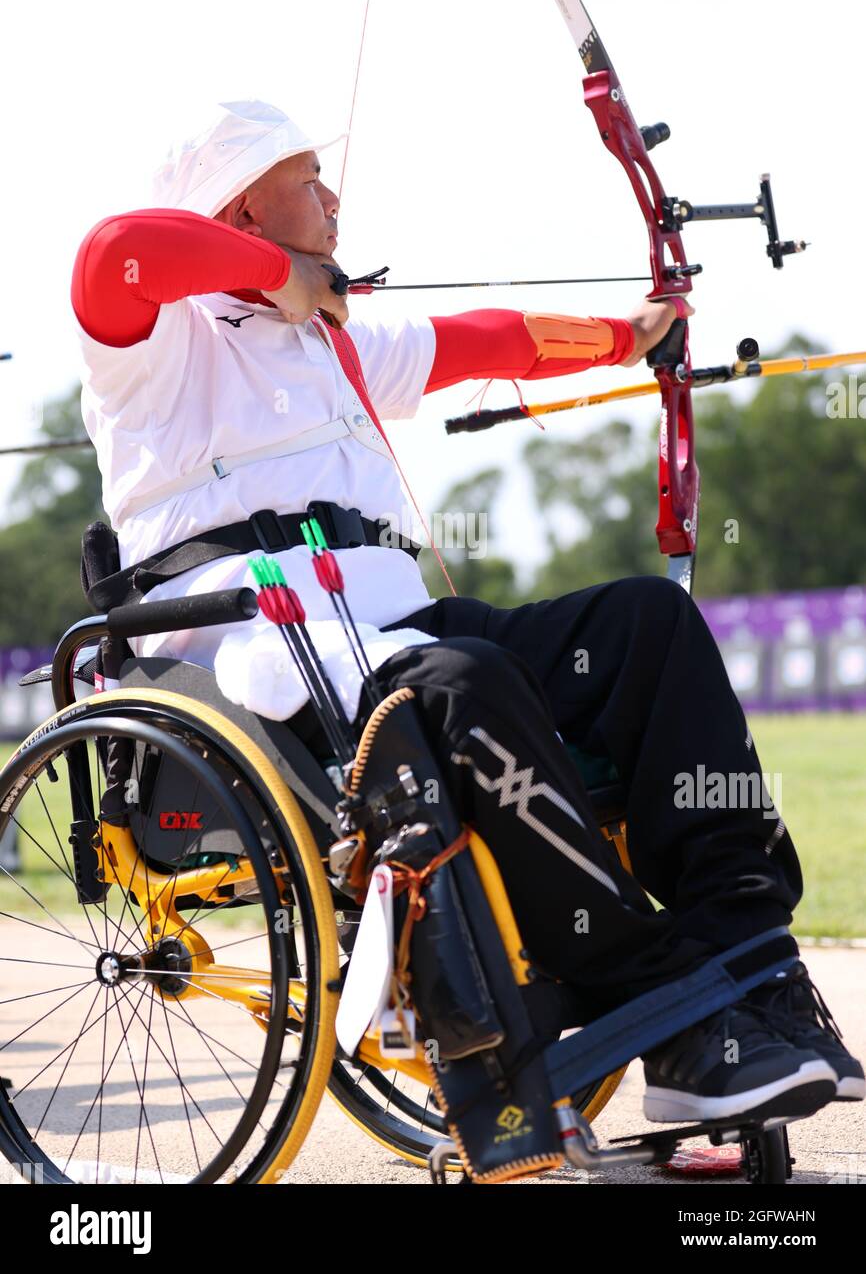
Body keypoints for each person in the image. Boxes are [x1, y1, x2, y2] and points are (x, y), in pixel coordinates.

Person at [71, 99, 863, 1125]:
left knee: (644, 627)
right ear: (238, 201)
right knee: (460, 688)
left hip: (402, 639)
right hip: (261, 662)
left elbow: (491, 341)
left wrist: (633, 332)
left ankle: (750, 963)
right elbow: (114, 253)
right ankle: (668, 1014)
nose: (333, 197)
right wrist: (275, 275)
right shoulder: (155, 348)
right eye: (307, 175)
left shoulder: (332, 341)